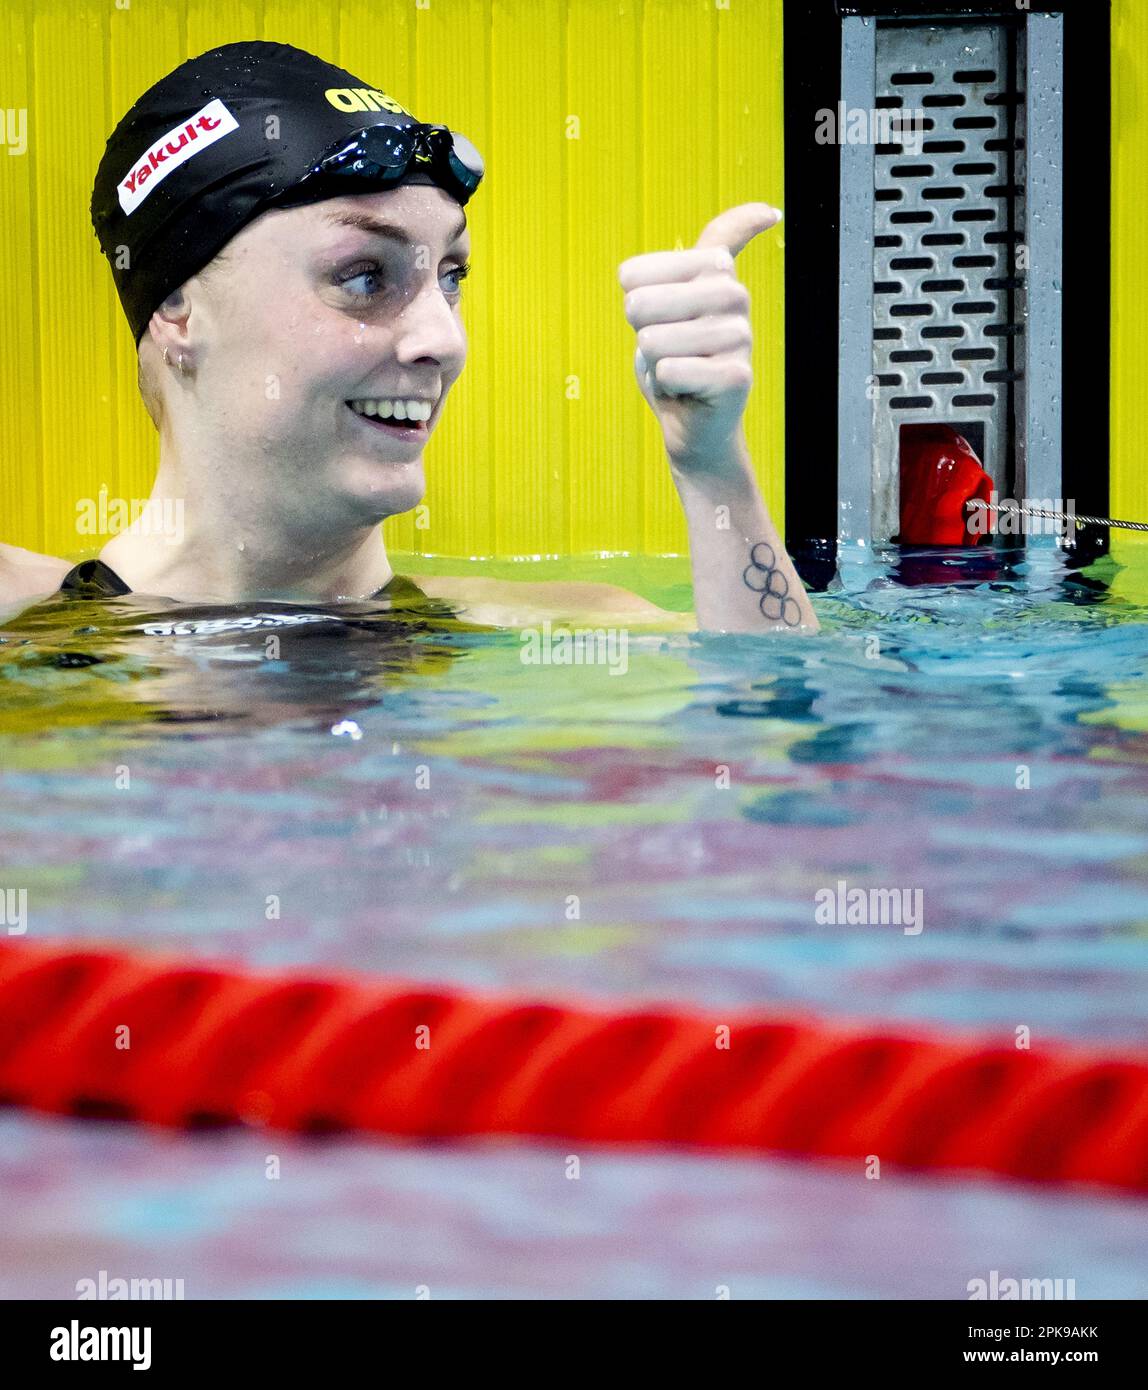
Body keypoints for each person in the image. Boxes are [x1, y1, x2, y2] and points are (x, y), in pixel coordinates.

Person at [4, 40, 818, 636]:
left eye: (451, 276)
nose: (445, 339)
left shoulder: (568, 630)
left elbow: (779, 756)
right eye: (365, 275)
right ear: (179, 307)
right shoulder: (26, 625)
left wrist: (711, 467)